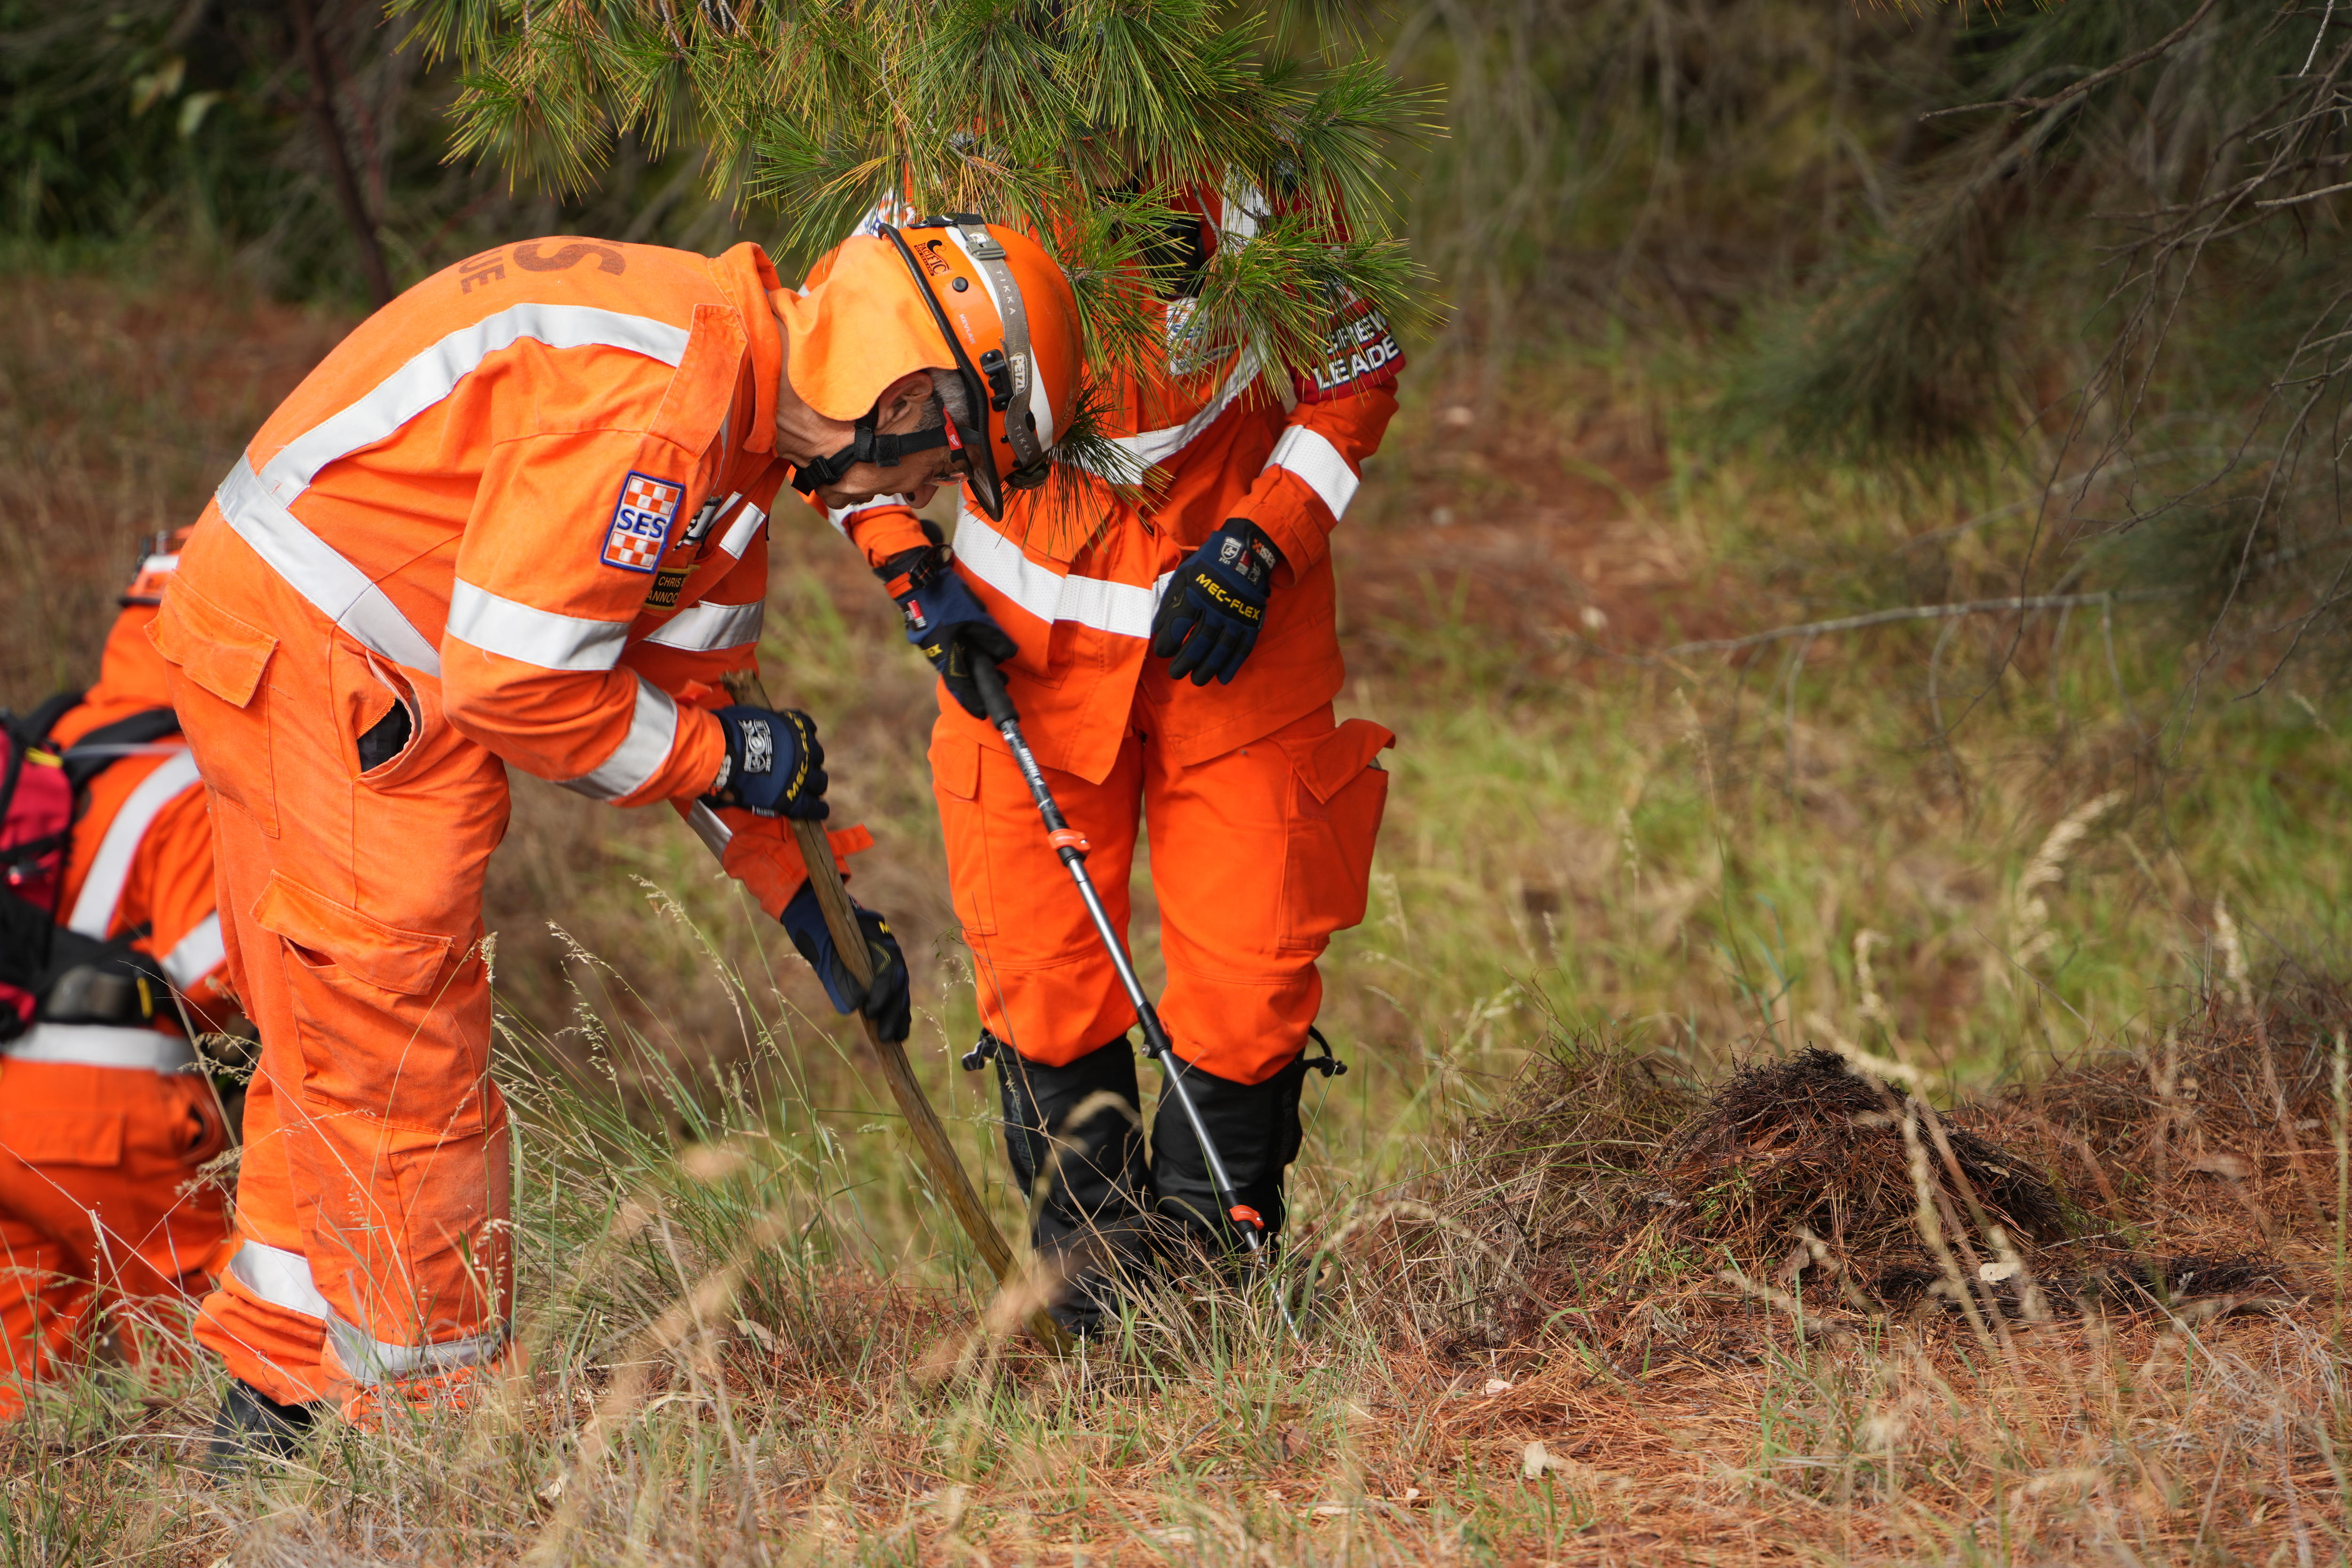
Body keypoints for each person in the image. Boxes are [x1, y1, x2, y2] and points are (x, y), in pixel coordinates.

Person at [152, 223, 1083, 1451]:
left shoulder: (736, 424)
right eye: (942, 456)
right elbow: (521, 684)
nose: (923, 494)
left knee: (329, 1027)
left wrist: (818, 908)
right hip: (327, 652)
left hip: (301, 634)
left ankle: (275, 1402)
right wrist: (729, 759)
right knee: (393, 1034)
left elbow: (694, 700)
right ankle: (431, 1436)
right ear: (903, 392)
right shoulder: (665, 410)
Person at [829, 191, 1401, 1333]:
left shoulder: (1250, 150)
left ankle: (1207, 1279)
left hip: (1238, 639)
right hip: (1023, 655)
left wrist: (1261, 541)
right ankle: (1096, 1288)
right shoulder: (936, 129)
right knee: (1041, 976)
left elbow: (1353, 374)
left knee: (1249, 968)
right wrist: (908, 563)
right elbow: (832, 405)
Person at [0, 537, 238, 1418]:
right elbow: (212, 971)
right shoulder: (191, 773)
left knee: (18, 1391)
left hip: (7, 1100)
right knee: (204, 1361)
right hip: (113, 1116)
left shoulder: (48, 741)